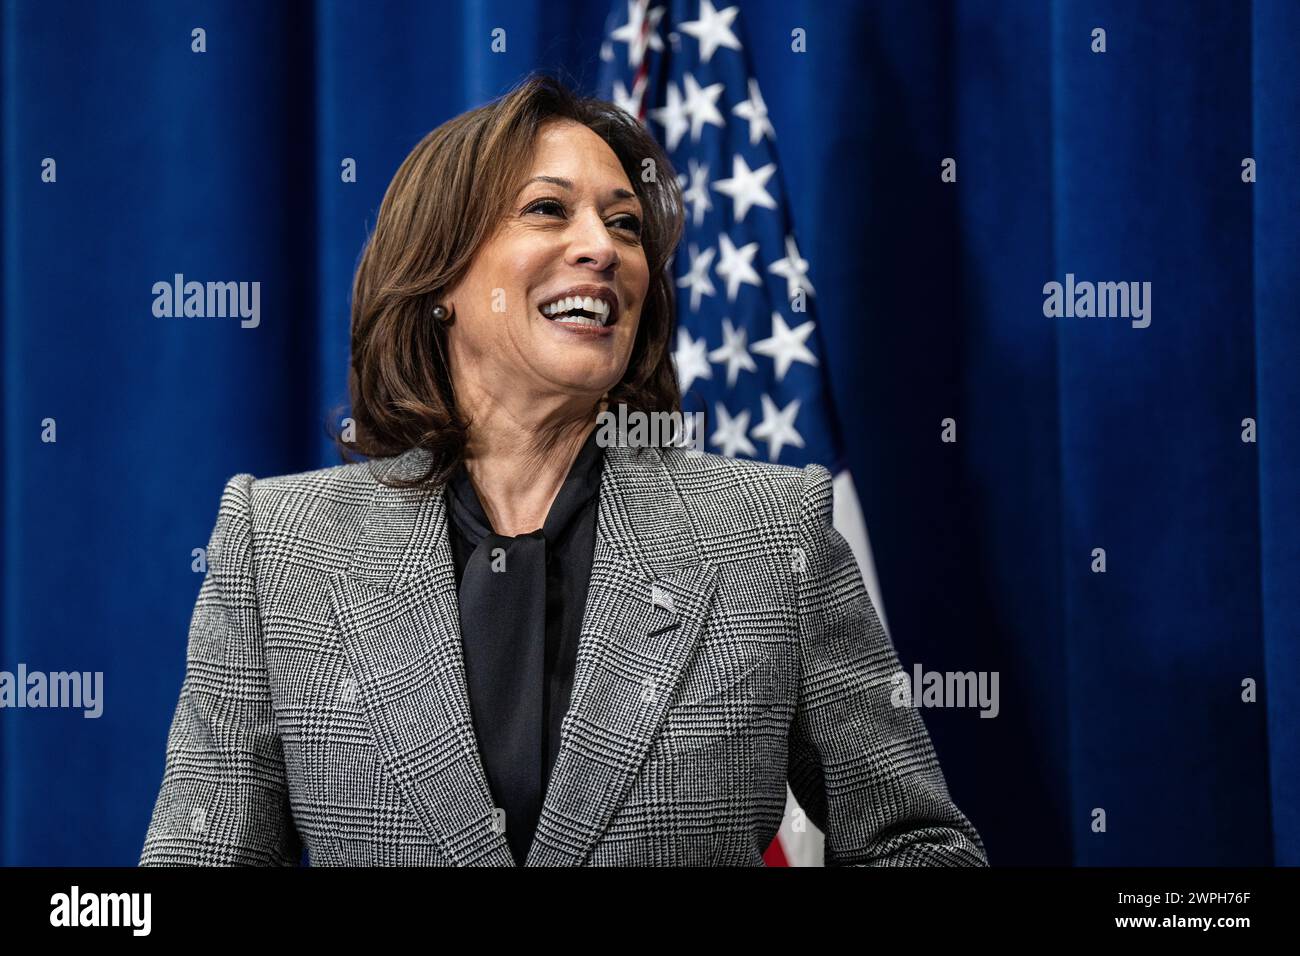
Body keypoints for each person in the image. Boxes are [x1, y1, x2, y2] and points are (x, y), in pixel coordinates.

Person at [139, 73, 987, 867]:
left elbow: (922, 848)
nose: (603, 248)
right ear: (441, 276)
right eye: (548, 210)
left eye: (624, 224)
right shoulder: (281, 546)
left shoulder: (771, 532)